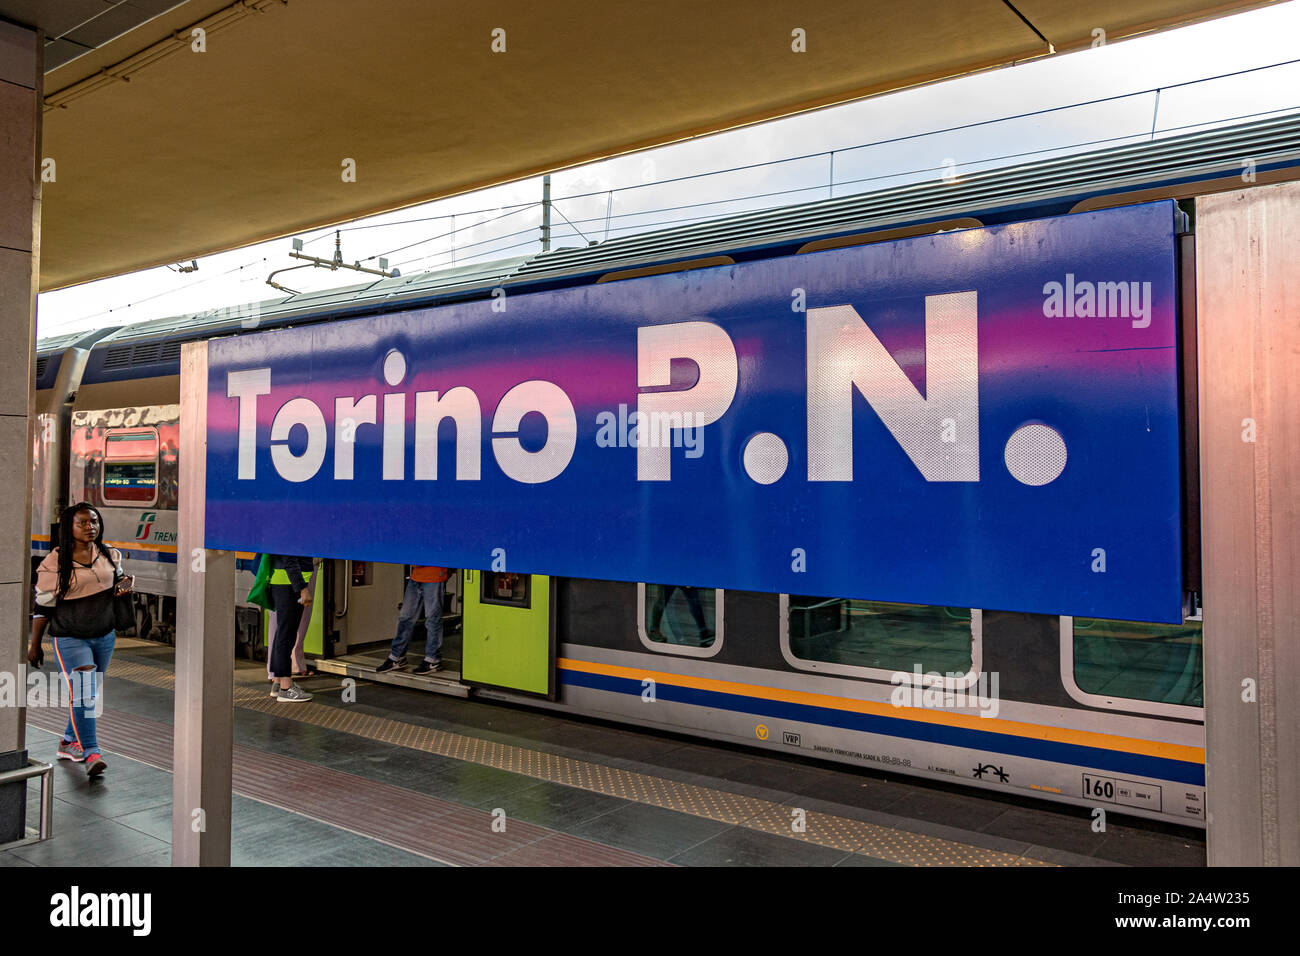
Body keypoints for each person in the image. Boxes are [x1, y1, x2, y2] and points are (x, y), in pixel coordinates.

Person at [27, 502, 133, 777]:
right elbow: (43, 606)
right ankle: (91, 752)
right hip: (71, 637)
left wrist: (122, 590)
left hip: (104, 635)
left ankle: (67, 742)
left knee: (87, 695)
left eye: (94, 522)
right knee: (85, 694)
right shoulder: (55, 561)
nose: (90, 527)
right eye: (83, 523)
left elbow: (115, 585)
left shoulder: (109, 555)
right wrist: (34, 643)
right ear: (69, 528)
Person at [377, 565, 449, 675]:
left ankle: (433, 659)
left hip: (434, 575)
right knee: (405, 617)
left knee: (432, 620)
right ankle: (397, 656)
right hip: (416, 576)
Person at [267, 554, 315, 702]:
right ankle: (286, 688)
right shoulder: (290, 531)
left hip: (284, 581)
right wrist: (302, 588)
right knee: (286, 635)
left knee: (282, 632)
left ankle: (278, 682)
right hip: (289, 583)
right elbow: (289, 558)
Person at [648, 584, 714, 645]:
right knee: (693, 600)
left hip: (674, 574)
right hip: (675, 574)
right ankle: (703, 631)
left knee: (694, 600)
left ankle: (703, 631)